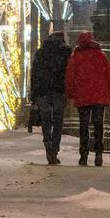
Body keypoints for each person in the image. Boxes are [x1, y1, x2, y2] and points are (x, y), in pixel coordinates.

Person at [65, 31, 110, 167]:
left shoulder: (75, 57)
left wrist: (70, 93)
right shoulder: (101, 56)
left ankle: (84, 154)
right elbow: (109, 76)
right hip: (99, 95)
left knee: (84, 125)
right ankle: (98, 152)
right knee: (98, 124)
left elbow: (70, 77)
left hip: (83, 96)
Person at [29, 29, 70, 165]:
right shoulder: (66, 52)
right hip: (59, 90)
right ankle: (55, 148)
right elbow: (70, 73)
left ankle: (48, 145)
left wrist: (33, 95)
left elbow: (34, 75)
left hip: (43, 91)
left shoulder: (41, 52)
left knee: (46, 120)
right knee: (58, 120)